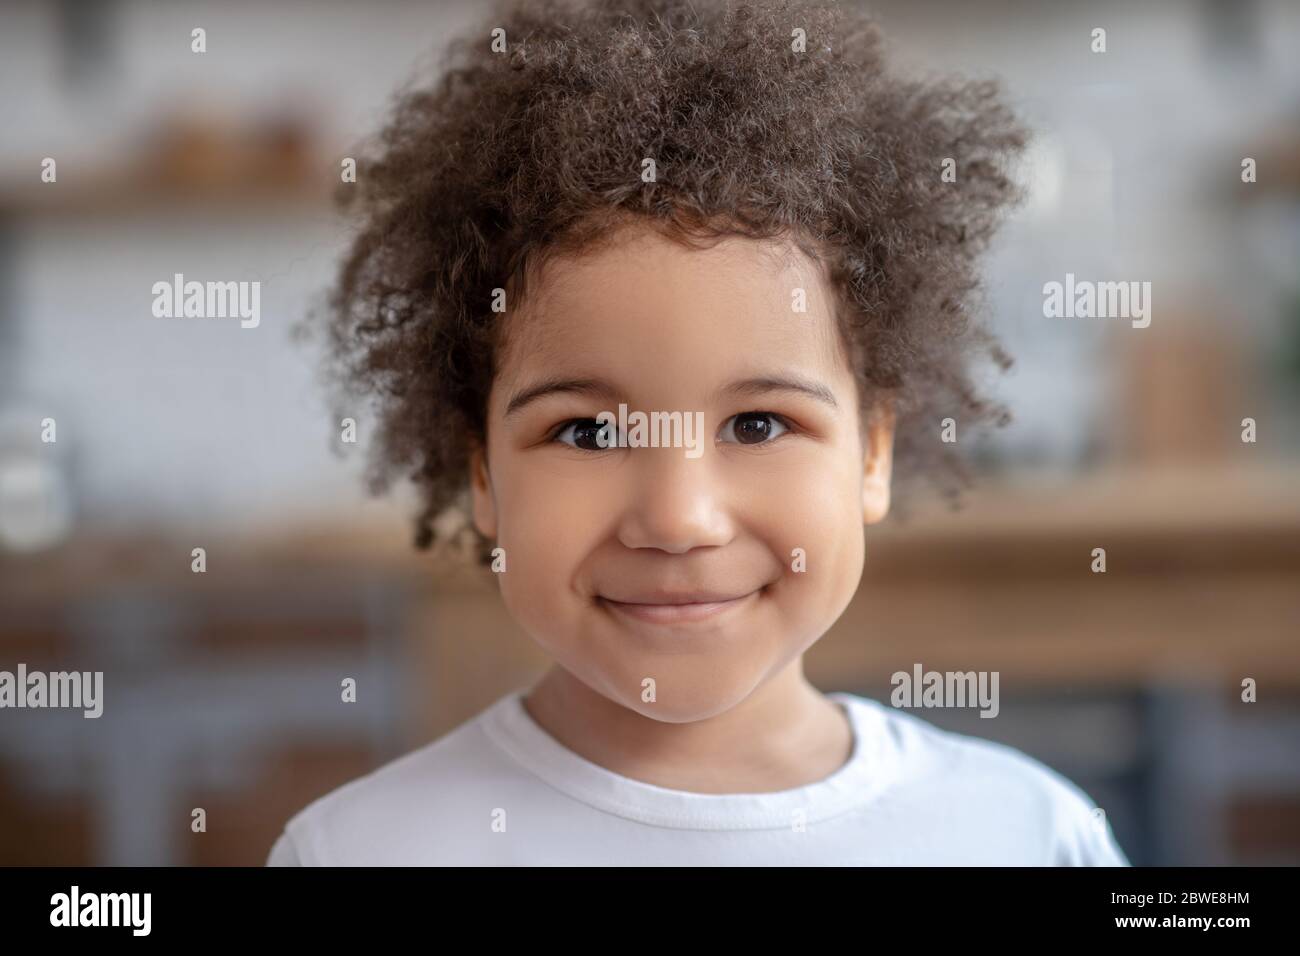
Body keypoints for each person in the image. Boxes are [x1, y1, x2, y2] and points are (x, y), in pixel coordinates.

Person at [268, 0, 1130, 866]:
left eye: (758, 423)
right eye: (589, 434)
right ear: (482, 473)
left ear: (872, 451)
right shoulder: (357, 851)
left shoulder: (1028, 834)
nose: (680, 518)